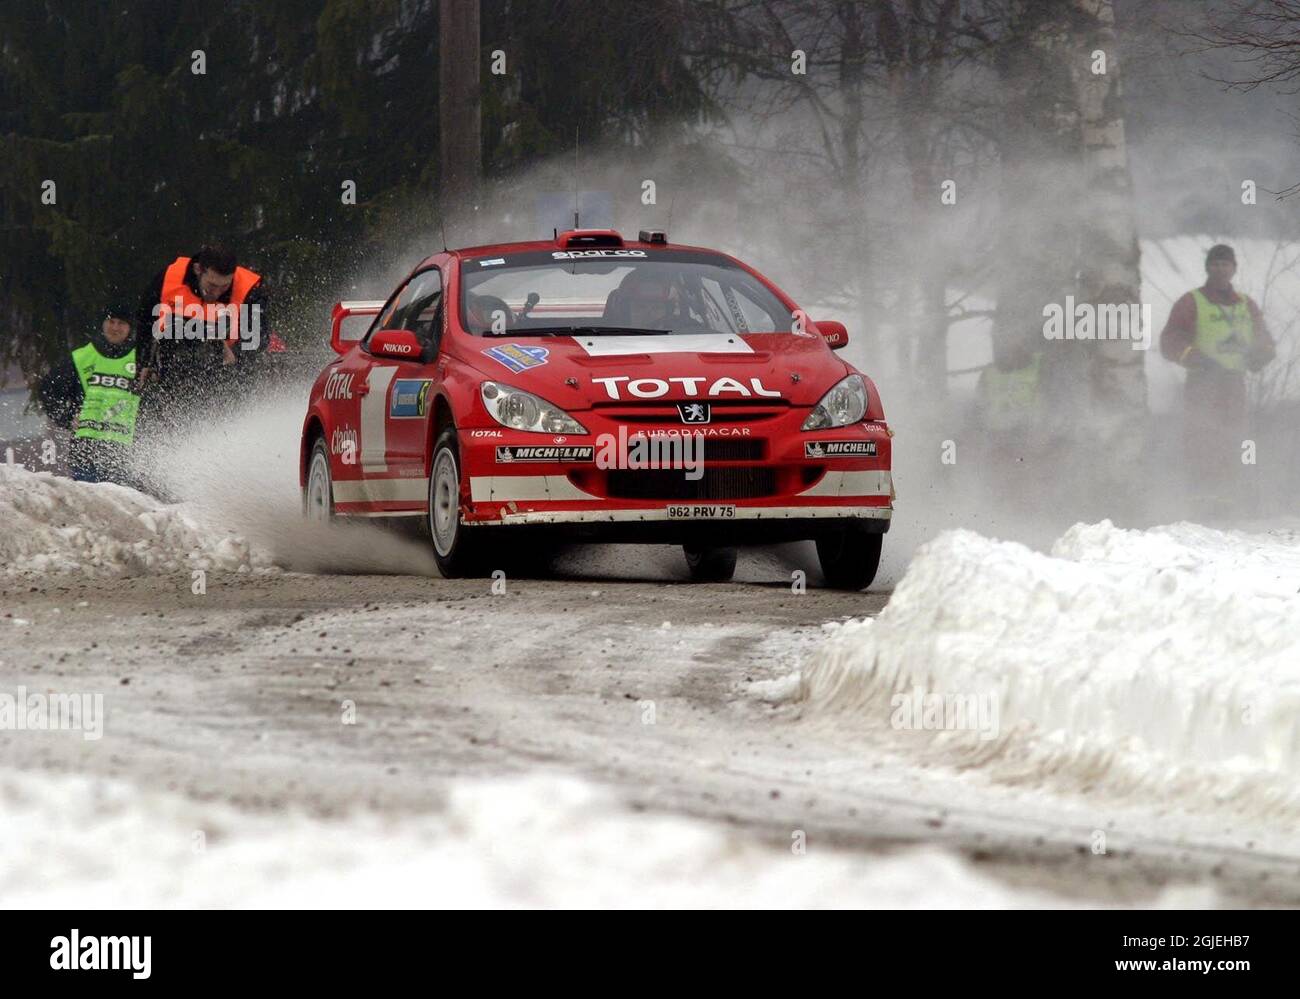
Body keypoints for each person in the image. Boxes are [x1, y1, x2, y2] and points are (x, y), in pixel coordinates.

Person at [1159, 243, 1274, 512]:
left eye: (1225, 264)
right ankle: (1200, 497)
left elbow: (1265, 340)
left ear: (1234, 269)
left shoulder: (1247, 305)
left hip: (1234, 382)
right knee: (1201, 437)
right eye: (1215, 263)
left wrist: (1261, 355)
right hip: (1202, 382)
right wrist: (1194, 357)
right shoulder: (1191, 301)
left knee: (1233, 437)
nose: (1220, 269)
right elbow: (1170, 340)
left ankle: (1227, 497)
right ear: (1207, 268)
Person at [135, 245, 269, 416]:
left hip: (222, 380)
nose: (217, 292)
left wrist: (234, 352)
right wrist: (144, 363)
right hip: (168, 370)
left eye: (224, 286)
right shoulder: (169, 277)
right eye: (212, 285)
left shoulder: (250, 291)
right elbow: (145, 320)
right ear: (198, 269)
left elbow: (259, 339)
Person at [39, 302, 142, 486]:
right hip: (85, 453)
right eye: (111, 321)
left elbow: (156, 401)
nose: (115, 327)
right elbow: (48, 390)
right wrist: (67, 417)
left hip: (126, 454)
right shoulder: (81, 357)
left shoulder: (141, 360)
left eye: (121, 323)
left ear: (130, 328)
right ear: (103, 324)